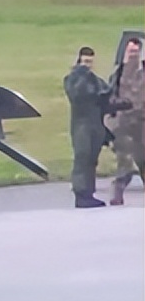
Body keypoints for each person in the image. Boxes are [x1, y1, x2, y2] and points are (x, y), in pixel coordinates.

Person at [64, 46, 111, 208]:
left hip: (95, 123)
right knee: (82, 157)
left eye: (90, 62)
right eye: (85, 61)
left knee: (92, 159)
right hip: (81, 124)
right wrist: (82, 74)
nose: (88, 65)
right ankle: (80, 193)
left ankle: (89, 193)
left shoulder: (96, 81)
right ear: (79, 60)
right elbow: (76, 95)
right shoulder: (72, 79)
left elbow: (105, 98)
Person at [107, 37, 145, 206]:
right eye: (130, 51)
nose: (133, 55)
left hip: (142, 122)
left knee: (142, 159)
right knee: (125, 162)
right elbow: (109, 95)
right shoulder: (118, 73)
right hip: (123, 124)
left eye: (136, 52)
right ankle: (117, 194)